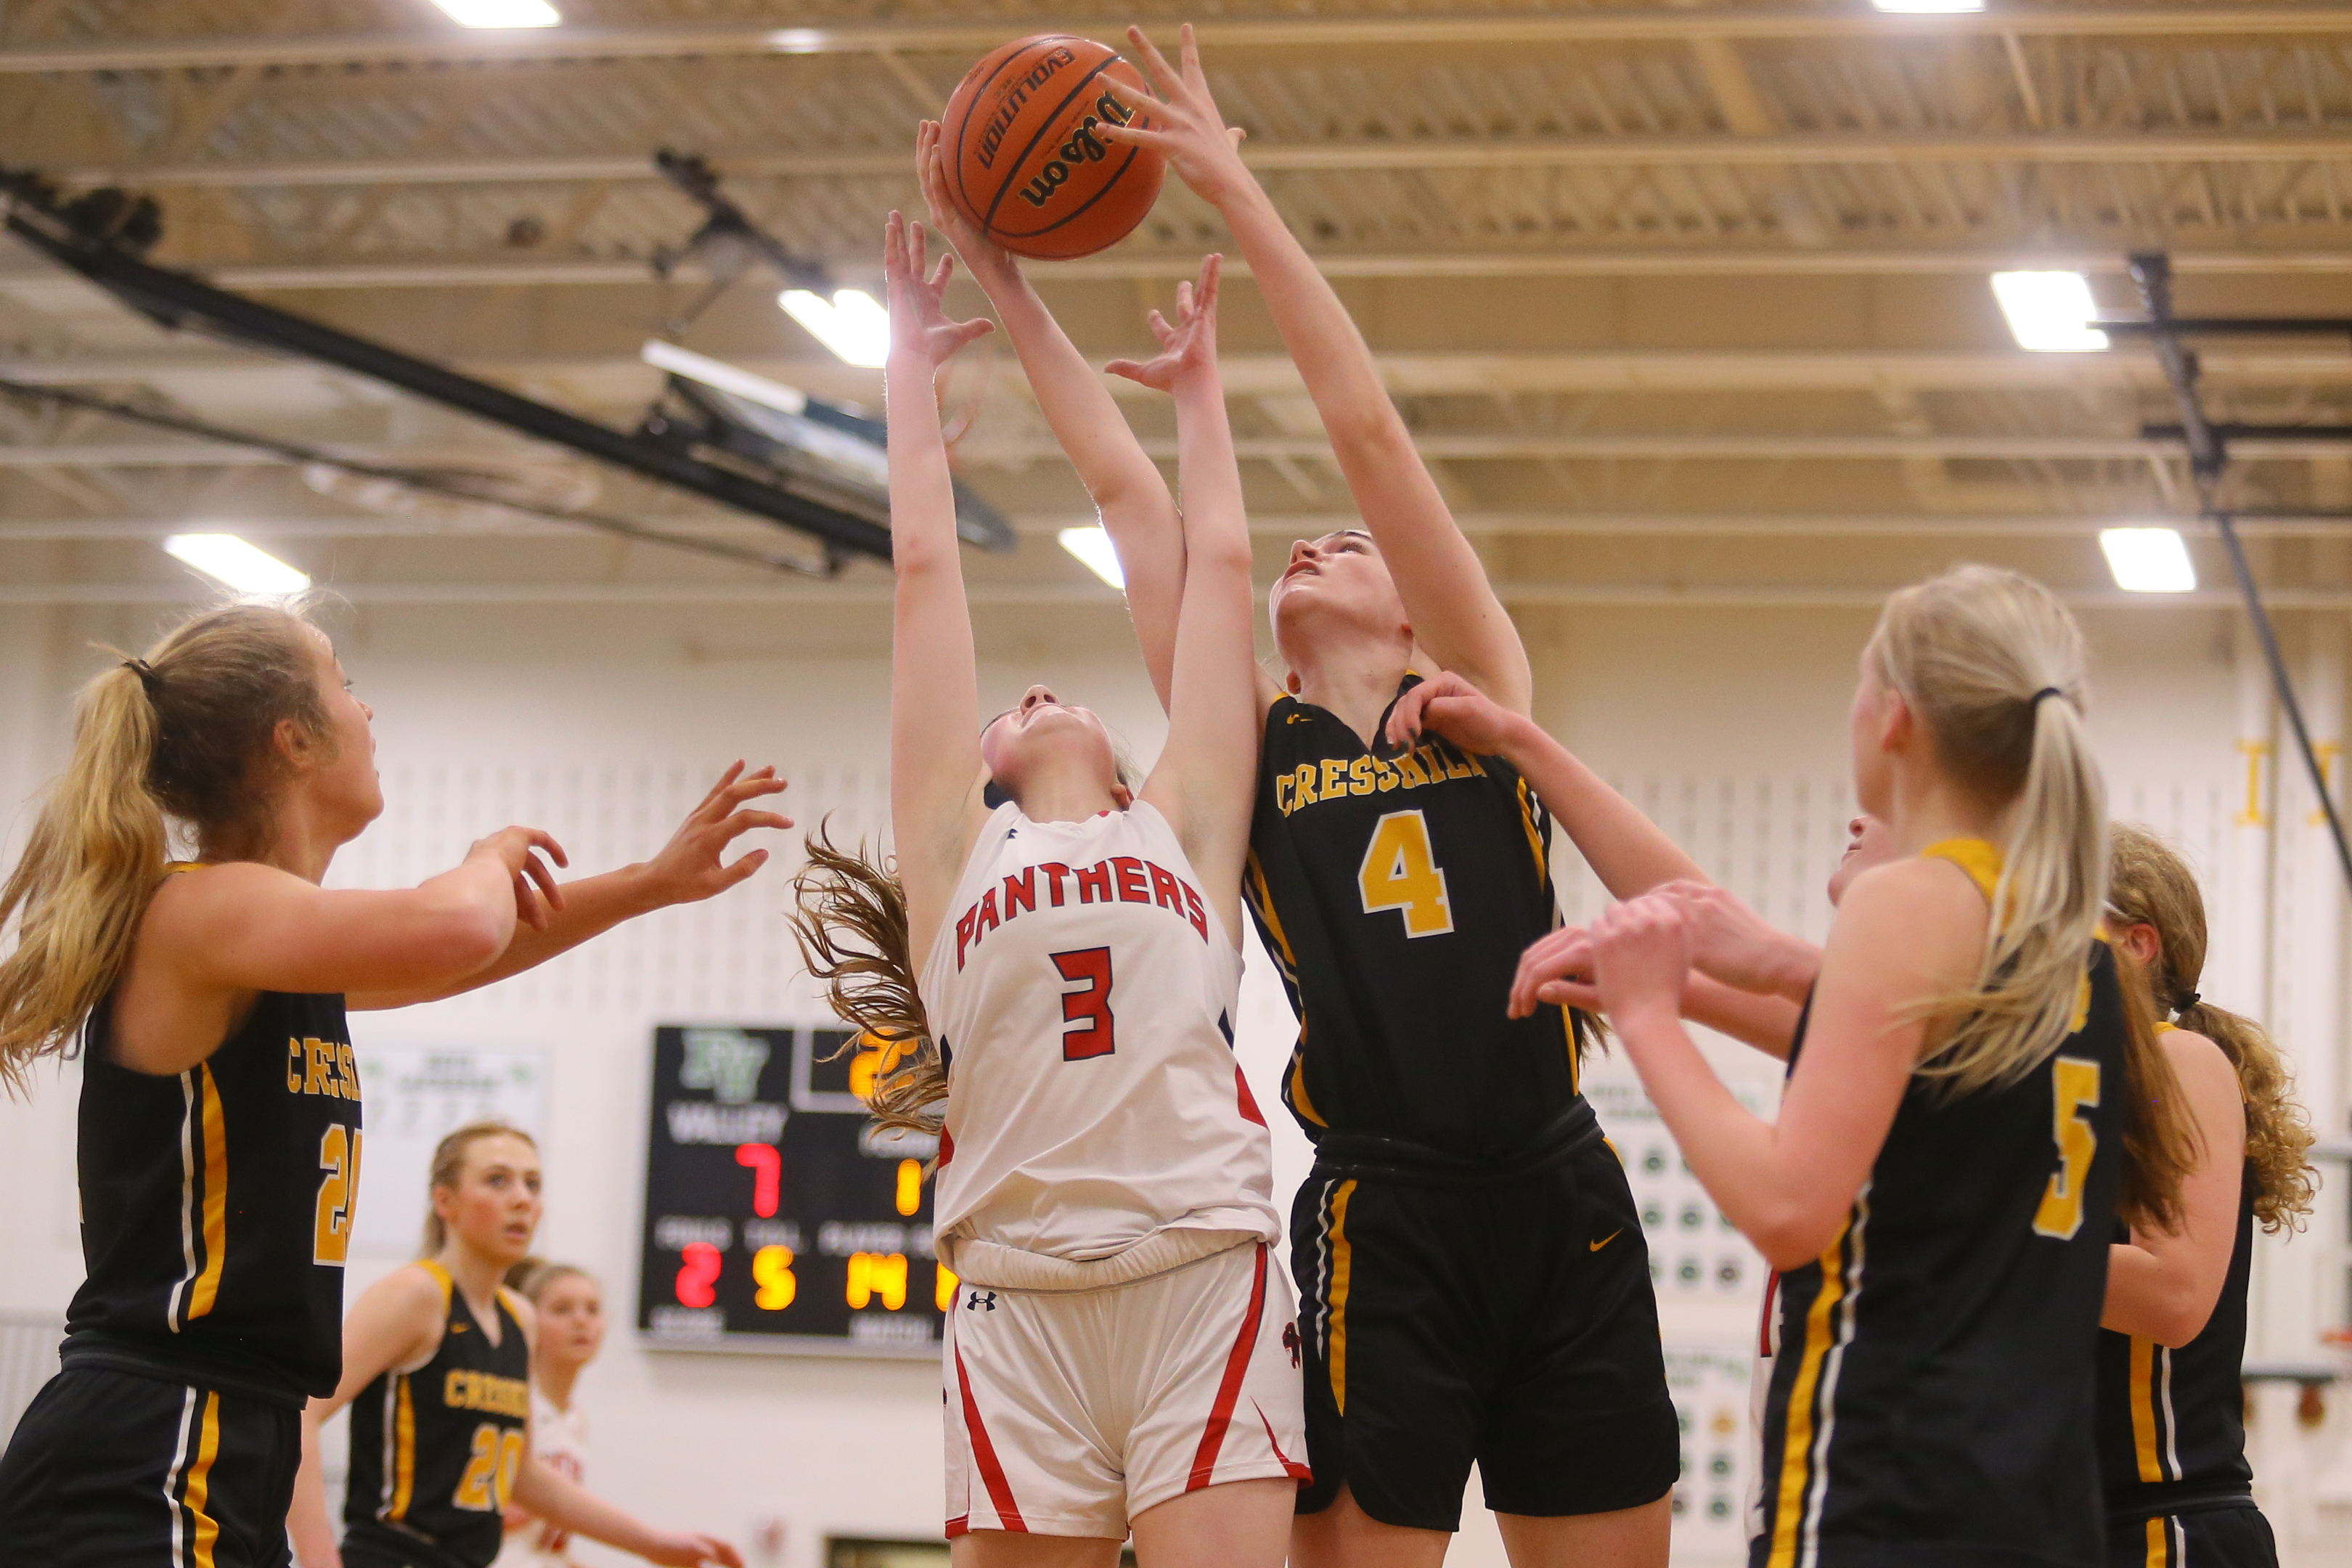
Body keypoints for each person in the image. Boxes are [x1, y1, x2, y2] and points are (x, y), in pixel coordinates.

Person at [1008, 28, 1682, 1566]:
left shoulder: (1480, 690)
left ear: (1411, 611)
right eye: (1298, 547)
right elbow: (1131, 500)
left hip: (1561, 1187)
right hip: (1386, 1207)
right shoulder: (1245, 745)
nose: (1316, 547)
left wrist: (1235, 187)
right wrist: (1008, 277)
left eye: (1346, 549)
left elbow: (1368, 428)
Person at [0, 600, 785, 1568]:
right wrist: (486, 858)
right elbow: (456, 929)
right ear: (291, 741)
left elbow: (456, 960)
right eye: (347, 685)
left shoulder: (268, 937)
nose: (368, 714)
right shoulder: (203, 908)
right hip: (155, 1430)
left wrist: (648, 883)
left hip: (229, 1431)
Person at [790, 211, 1300, 1568]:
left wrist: (1198, 396)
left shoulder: (1187, 821)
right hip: (1014, 1295)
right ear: (981, 767)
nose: (1030, 689)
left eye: (1049, 691)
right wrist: (907, 386)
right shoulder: (960, 859)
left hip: (1200, 1268)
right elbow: (920, 578)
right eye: (1006, 704)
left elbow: (1221, 573)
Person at [1552, 564, 2197, 1567]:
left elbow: (1786, 1208)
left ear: (1893, 716)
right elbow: (1946, 1080)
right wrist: (1761, 964)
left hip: (1888, 1483)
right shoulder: (2081, 959)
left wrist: (1648, 1017)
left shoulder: (1909, 903)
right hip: (2043, 1505)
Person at [288, 1124, 738, 1568]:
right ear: (446, 1201)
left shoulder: (519, 1317)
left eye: (533, 1184)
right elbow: (302, 1414)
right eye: (497, 1180)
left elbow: (522, 1475)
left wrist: (651, 1543)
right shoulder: (417, 1295)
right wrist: (318, 1558)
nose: (522, 1199)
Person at [2096, 826, 2316, 1568]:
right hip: (2065, 1523)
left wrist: (1981, 1241)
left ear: (2136, 944)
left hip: (2165, 1526)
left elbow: (2172, 1296)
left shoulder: (2175, 1059)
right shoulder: (2056, 1086)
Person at [492, 1262, 604, 1568]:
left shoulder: (575, 1419)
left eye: (592, 1310)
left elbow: (545, 1544)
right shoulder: (509, 1400)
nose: (581, 1321)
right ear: (528, 1320)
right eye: (562, 1309)